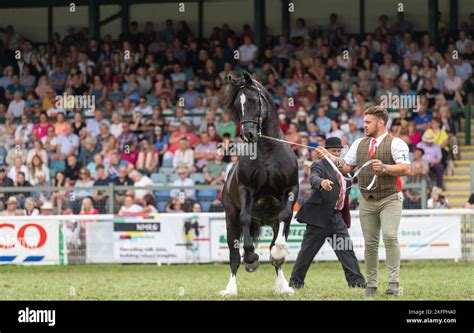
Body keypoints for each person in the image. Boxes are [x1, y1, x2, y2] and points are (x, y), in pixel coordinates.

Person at [315, 106, 411, 296]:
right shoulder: (359, 143)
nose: (364, 125)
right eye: (364, 121)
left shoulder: (396, 143)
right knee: (370, 243)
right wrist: (329, 156)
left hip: (390, 198)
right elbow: (346, 167)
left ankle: (394, 283)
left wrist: (385, 168)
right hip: (367, 200)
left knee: (390, 237)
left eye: (368, 122)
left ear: (381, 122)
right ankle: (372, 285)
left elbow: (406, 169)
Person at [289, 137, 366, 290]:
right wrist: (321, 183)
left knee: (346, 250)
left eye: (339, 151)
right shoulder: (318, 164)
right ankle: (296, 282)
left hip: (336, 217)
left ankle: (357, 283)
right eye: (333, 151)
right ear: (326, 151)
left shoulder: (345, 169)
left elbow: (348, 185)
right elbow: (314, 178)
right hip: (319, 217)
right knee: (307, 252)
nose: (337, 153)